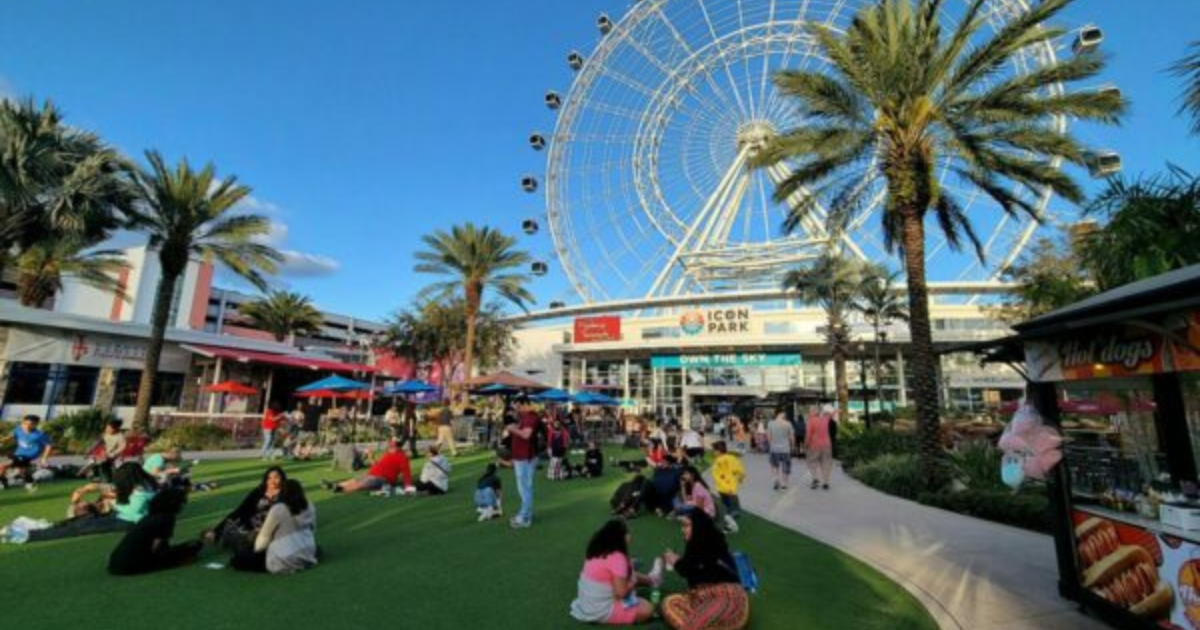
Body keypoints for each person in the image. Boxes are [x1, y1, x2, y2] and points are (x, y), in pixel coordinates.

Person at [660, 511, 750, 630]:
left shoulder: (707, 545)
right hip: (704, 597)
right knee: (670, 603)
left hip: (725, 595)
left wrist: (675, 561)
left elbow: (686, 570)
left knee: (701, 619)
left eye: (687, 525)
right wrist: (677, 560)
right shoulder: (703, 541)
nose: (682, 529)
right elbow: (691, 568)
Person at [569, 519, 662, 625]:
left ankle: (653, 580)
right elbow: (620, 594)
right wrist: (633, 582)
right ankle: (653, 580)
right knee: (648, 609)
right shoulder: (618, 558)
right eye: (627, 532)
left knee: (629, 574)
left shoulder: (596, 548)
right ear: (620, 537)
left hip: (587, 603)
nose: (630, 535)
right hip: (601, 610)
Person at [108, 489, 202, 576]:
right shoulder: (167, 518)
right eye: (182, 502)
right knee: (194, 545)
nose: (183, 505)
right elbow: (156, 549)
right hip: (132, 566)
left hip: (115, 564)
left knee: (180, 548)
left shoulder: (149, 516)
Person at [232, 480, 317, 574]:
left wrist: (255, 550)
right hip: (307, 552)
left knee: (238, 559)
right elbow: (312, 529)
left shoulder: (279, 508)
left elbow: (263, 539)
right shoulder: (309, 506)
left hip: (282, 560)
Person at [207, 466, 287, 554]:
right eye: (269, 478)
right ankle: (220, 536)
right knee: (238, 535)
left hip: (273, 529)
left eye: (276, 477)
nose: (272, 480)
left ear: (282, 478)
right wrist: (216, 530)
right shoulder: (259, 491)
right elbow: (241, 509)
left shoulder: (286, 492)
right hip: (252, 527)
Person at [323, 439, 413, 495]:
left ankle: (341, 489)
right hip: (372, 474)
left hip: (382, 478)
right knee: (355, 480)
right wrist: (371, 457)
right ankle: (334, 485)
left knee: (361, 484)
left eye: (391, 445)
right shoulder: (388, 454)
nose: (389, 446)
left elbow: (407, 474)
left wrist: (408, 486)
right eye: (390, 445)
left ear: (397, 447)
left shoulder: (402, 457)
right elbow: (376, 465)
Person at [507, 397, 540, 528]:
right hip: (522, 456)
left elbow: (526, 435)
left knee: (525, 488)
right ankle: (526, 514)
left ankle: (525, 517)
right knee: (525, 487)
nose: (517, 409)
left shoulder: (530, 417)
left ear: (525, 405)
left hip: (525, 457)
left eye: (518, 406)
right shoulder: (525, 417)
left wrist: (512, 429)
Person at [0, 414, 52, 490]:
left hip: (28, 456)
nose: (27, 426)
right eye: (25, 424)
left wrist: (44, 458)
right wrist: (2, 440)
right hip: (17, 453)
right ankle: (30, 482)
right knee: (22, 469)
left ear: (36, 425)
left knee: (3, 465)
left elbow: (48, 446)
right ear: (23, 422)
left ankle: (3, 483)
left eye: (30, 424)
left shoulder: (40, 435)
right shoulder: (18, 429)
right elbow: (11, 436)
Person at [711, 441, 743, 532]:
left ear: (718, 451)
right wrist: (740, 479)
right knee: (731, 507)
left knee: (726, 508)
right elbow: (740, 471)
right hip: (732, 489)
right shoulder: (732, 458)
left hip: (724, 489)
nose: (713, 452)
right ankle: (732, 517)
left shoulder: (717, 462)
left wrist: (725, 487)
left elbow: (717, 478)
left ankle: (732, 526)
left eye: (714, 450)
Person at [806, 408, 835, 490]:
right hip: (826, 445)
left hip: (814, 445)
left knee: (811, 462)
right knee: (826, 464)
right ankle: (826, 483)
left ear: (811, 414)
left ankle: (815, 478)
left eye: (809, 413)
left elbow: (808, 435)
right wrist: (827, 411)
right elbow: (831, 413)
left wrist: (806, 444)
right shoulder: (825, 419)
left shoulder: (810, 421)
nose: (809, 414)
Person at [767, 411, 796, 491]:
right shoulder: (788, 424)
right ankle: (784, 484)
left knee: (774, 465)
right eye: (784, 414)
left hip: (774, 449)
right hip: (785, 449)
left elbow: (768, 436)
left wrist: (771, 445)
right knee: (786, 465)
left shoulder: (770, 423)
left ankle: (776, 479)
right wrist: (793, 446)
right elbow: (791, 437)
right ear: (782, 415)